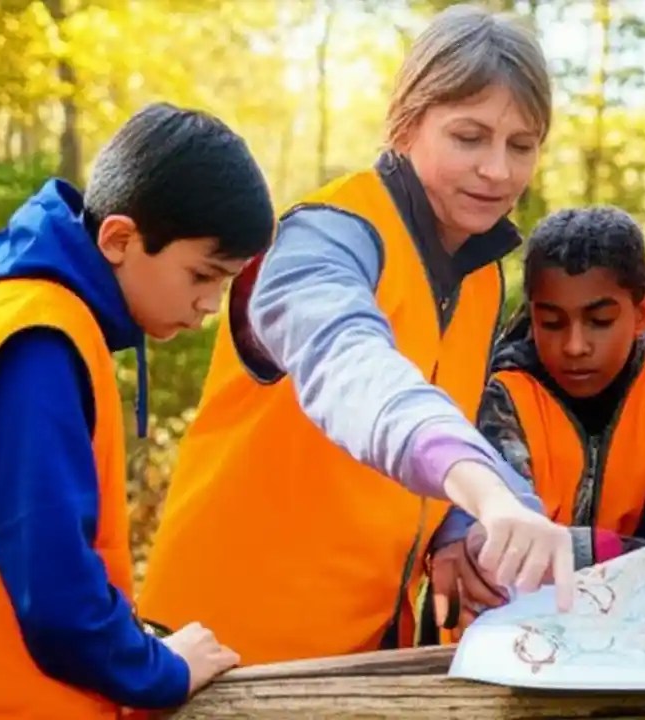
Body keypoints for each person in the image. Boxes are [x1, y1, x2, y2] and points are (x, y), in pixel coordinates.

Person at [137, 5, 573, 667]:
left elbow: (442, 419)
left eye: (521, 145)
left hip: (360, 653)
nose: (497, 170)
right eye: (469, 137)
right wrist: (484, 489)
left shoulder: (482, 278)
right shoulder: (321, 238)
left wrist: (456, 526)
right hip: (222, 653)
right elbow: (354, 373)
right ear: (407, 123)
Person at [0, 103, 276, 717]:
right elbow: (58, 597)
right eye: (202, 275)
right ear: (118, 239)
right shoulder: (37, 344)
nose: (208, 305)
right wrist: (163, 670)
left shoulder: (29, 321)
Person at [428, 207, 645, 635]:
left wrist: (583, 550)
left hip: (643, 630)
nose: (574, 346)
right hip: (510, 637)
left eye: (600, 321)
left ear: (644, 313)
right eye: (550, 323)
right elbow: (500, 551)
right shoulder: (501, 398)